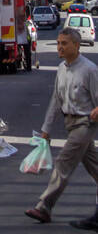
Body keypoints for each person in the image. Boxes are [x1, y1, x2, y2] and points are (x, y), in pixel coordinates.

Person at [24, 27, 98, 223]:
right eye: (58, 43)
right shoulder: (61, 69)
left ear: (76, 45)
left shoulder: (89, 70)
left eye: (64, 43)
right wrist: (46, 130)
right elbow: (56, 101)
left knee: (63, 162)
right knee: (95, 168)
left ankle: (44, 206)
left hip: (85, 124)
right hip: (70, 124)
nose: (60, 47)